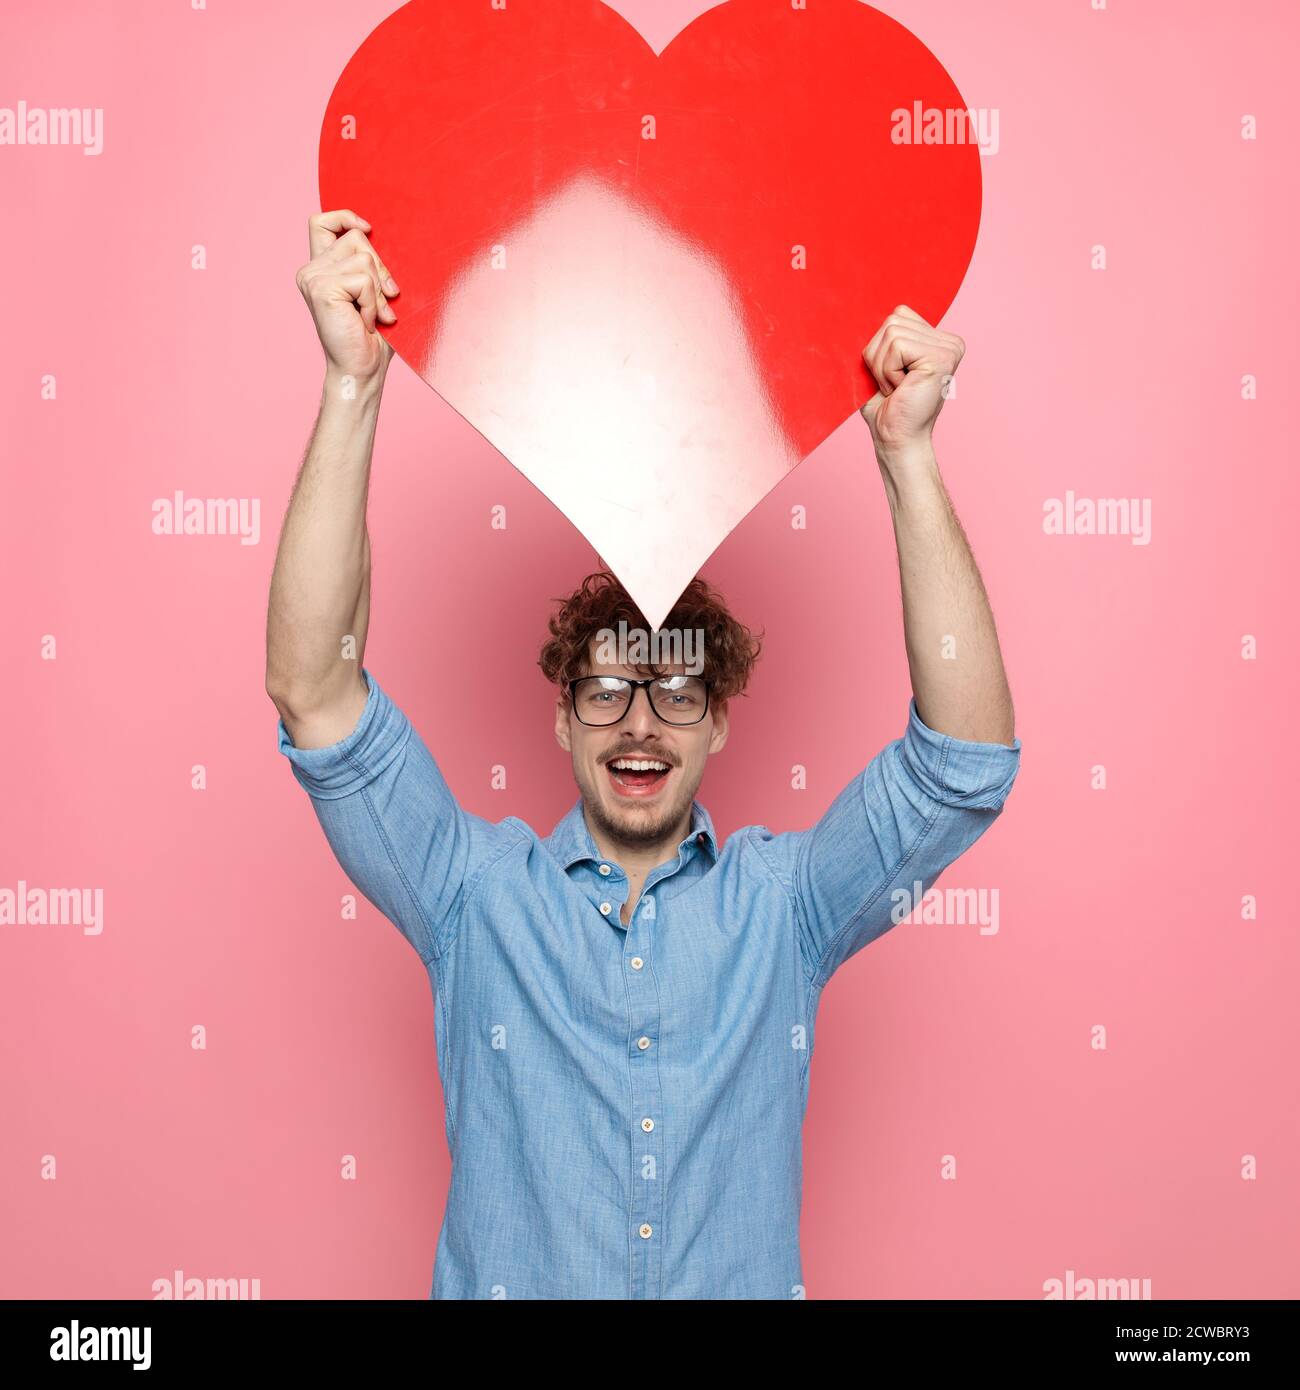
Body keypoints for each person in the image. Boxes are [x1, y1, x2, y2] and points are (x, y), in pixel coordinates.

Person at [266, 209, 1022, 1300]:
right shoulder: (469, 894)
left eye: (676, 688)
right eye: (609, 686)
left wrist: (906, 456)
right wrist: (354, 387)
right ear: (561, 719)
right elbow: (314, 687)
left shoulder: (788, 907)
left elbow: (963, 762)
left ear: (718, 720)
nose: (640, 719)